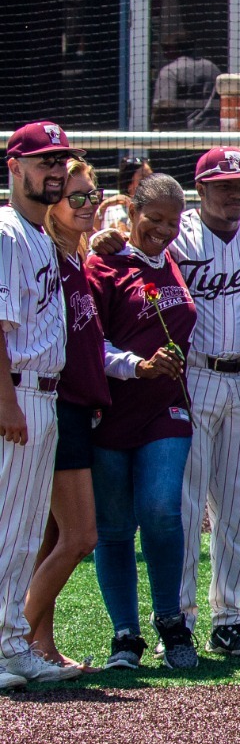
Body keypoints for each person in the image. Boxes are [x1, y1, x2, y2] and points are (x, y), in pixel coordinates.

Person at [87, 173, 199, 670]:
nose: (163, 230)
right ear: (131, 213)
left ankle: (171, 624)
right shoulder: (103, 266)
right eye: (153, 219)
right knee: (113, 528)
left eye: (173, 222)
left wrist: (156, 374)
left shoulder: (172, 259)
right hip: (110, 410)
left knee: (160, 509)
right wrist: (137, 366)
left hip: (165, 409)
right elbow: (89, 343)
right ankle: (125, 637)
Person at [173, 147, 240, 658]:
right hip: (194, 376)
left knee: (238, 506)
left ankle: (230, 617)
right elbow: (129, 247)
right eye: (223, 184)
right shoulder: (178, 234)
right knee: (186, 504)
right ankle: (179, 617)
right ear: (201, 189)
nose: (235, 193)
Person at [0, 123, 79, 688]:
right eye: (42, 161)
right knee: (9, 529)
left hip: (42, 392)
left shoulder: (37, 233)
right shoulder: (7, 232)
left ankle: (10, 643)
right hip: (19, 391)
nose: (53, 170)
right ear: (14, 166)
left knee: (26, 532)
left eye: (60, 161)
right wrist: (6, 402)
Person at [23, 159, 104, 675]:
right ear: (51, 204)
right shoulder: (44, 254)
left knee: (53, 538)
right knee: (80, 537)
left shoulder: (77, 257)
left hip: (74, 404)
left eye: (91, 196)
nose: (87, 205)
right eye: (75, 197)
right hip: (52, 402)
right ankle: (12, 636)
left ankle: (41, 645)